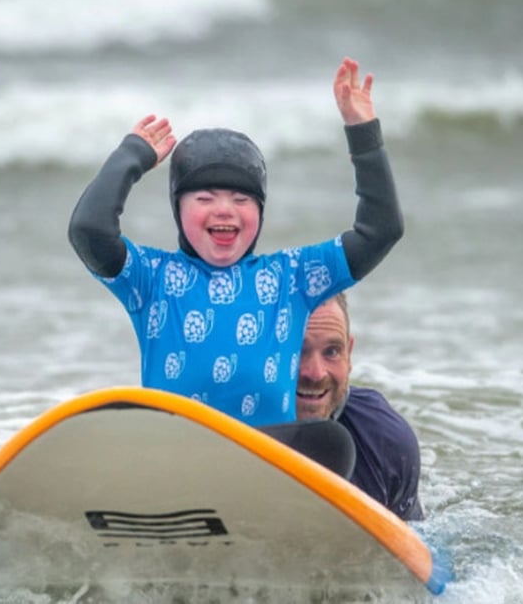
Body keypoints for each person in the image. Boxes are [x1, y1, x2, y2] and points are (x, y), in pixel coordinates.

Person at [68, 58, 403, 427]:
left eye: (242, 200)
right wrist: (131, 157)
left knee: (332, 444)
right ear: (177, 210)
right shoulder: (152, 280)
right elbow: (89, 231)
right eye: (205, 198)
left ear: (260, 213)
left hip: (269, 457)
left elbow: (381, 230)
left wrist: (363, 134)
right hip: (177, 454)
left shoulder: (292, 277)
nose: (225, 211)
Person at [297, 292, 424, 521]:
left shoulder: (384, 442)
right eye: (297, 350)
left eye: (332, 351)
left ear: (349, 352)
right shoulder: (218, 428)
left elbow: (420, 549)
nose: (315, 373)